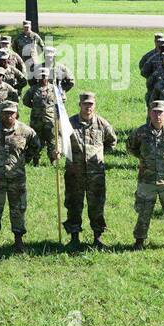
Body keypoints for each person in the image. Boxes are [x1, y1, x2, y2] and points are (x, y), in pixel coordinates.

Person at [0, 101, 43, 252]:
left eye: (11, 113)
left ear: (16, 114)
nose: (8, 116)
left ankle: (19, 241)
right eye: (6, 113)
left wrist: (23, 160)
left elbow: (36, 146)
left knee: (18, 208)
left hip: (17, 178)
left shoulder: (26, 131)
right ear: (1, 114)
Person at [126, 100, 164, 250]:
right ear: (149, 113)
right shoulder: (140, 132)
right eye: (154, 112)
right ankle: (139, 240)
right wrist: (144, 160)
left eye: (160, 112)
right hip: (147, 180)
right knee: (143, 212)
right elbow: (131, 147)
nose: (157, 115)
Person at [62, 92, 117, 249]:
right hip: (74, 174)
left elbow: (112, 142)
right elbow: (59, 141)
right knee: (73, 205)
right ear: (80, 105)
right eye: (85, 104)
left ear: (94, 105)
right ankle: (74, 238)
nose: (88, 107)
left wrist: (99, 155)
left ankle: (97, 237)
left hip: (96, 176)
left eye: (90, 104)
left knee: (97, 206)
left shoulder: (102, 124)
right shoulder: (69, 123)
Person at [22, 67, 61, 158]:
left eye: (44, 76)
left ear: (48, 77)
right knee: (36, 141)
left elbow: (61, 100)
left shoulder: (54, 89)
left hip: (50, 120)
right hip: (36, 121)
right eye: (40, 76)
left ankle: (53, 160)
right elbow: (25, 101)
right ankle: (36, 160)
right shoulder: (33, 89)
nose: (42, 78)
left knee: (52, 141)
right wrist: (35, 108)